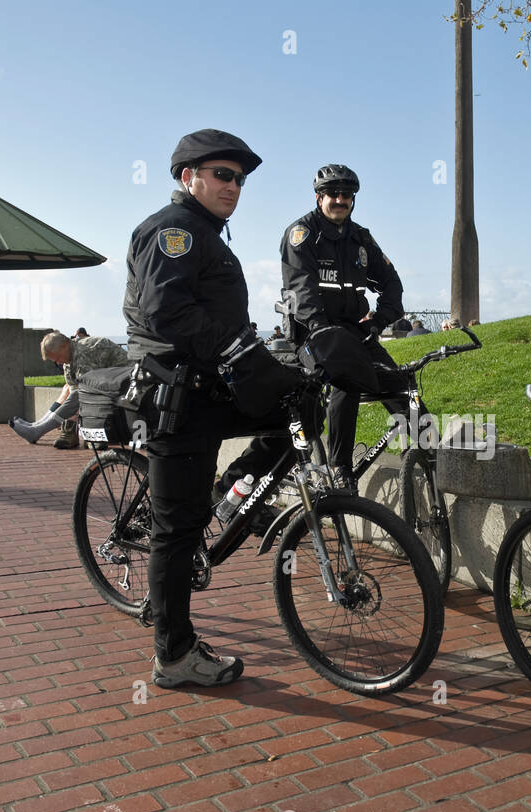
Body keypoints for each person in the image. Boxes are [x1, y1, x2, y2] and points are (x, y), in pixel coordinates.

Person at [124, 128, 302, 690]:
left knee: (289, 420)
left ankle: (224, 495)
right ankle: (173, 656)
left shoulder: (206, 233)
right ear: (188, 178)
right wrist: (238, 350)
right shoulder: (173, 231)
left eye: (240, 179)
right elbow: (166, 313)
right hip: (174, 396)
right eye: (223, 175)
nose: (234, 186)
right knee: (176, 531)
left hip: (208, 388)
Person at [279, 164, 411, 492]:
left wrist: (381, 320)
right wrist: (322, 329)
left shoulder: (361, 238)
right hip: (313, 333)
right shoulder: (303, 234)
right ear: (318, 197)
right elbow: (301, 288)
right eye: (333, 194)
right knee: (346, 383)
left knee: (401, 386)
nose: (340, 200)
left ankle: (431, 451)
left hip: (354, 329)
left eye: (347, 195)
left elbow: (391, 283)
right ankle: (341, 469)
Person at [8, 332, 128, 445]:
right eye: (55, 361)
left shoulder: (84, 352)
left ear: (65, 345)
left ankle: (38, 430)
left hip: (125, 384)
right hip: (111, 382)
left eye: (58, 357)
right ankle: (36, 426)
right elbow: (73, 388)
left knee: (80, 393)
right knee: (71, 391)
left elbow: (85, 390)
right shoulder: (68, 358)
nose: (59, 362)